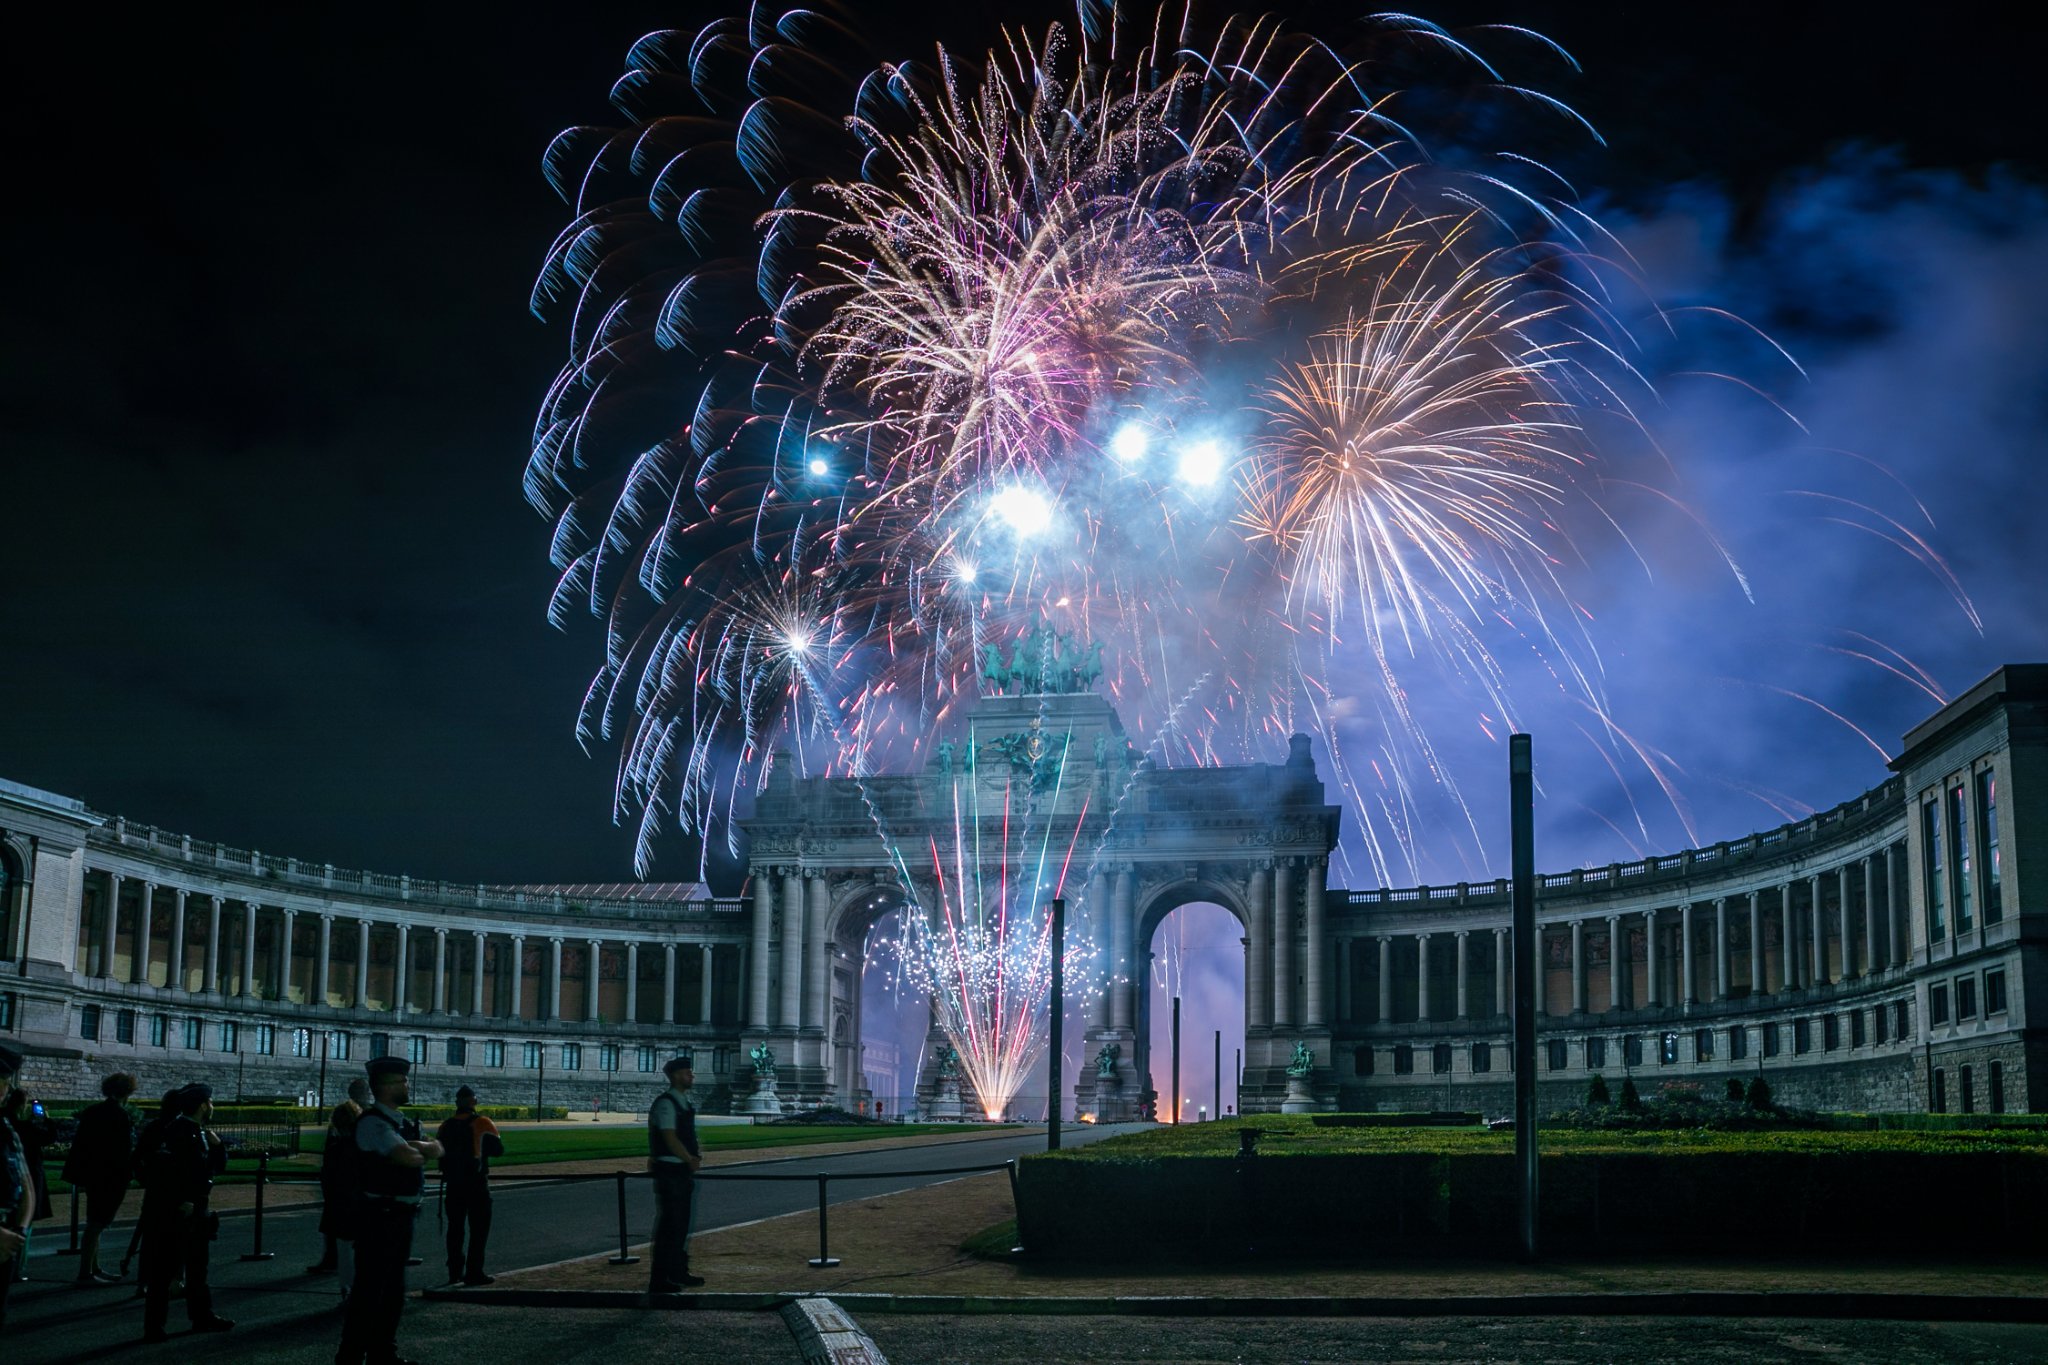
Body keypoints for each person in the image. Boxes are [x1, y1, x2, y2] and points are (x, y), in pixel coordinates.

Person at [337, 1056, 441, 1365]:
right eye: (402, 1082)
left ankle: (382, 1353)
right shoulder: (372, 1123)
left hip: (396, 1218)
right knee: (371, 1292)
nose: (407, 1086)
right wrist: (423, 1148)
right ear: (386, 1087)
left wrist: (419, 1148)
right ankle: (351, 1356)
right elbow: (409, 1157)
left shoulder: (395, 1122)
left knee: (392, 1292)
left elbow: (425, 1150)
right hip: (380, 1218)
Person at [139, 1083, 234, 1342]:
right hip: (183, 1212)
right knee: (177, 1270)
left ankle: (182, 1320)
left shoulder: (178, 1130)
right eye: (210, 1103)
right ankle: (168, 1323)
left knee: (190, 1269)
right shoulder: (185, 1133)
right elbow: (186, 1172)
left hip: (184, 1210)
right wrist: (181, 1200)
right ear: (203, 1105)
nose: (211, 1107)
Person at [64, 1072, 139, 1284]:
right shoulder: (120, 1115)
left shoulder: (93, 1111)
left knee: (95, 1223)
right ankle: (86, 1272)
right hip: (111, 1177)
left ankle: (93, 1268)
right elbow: (124, 1152)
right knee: (97, 1225)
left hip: (93, 1174)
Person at [646, 1053, 704, 1294]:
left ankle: (677, 1271)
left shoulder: (681, 1103)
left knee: (680, 1226)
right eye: (687, 1072)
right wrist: (688, 1158)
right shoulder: (666, 1103)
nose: (691, 1075)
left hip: (678, 1170)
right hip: (671, 1170)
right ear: (676, 1076)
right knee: (670, 1226)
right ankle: (659, 1278)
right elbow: (669, 1137)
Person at [434, 1085, 502, 1287]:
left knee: (455, 1230)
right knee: (478, 1231)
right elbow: (498, 1150)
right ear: (474, 1102)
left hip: (453, 1184)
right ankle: (474, 1272)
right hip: (476, 1184)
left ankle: (454, 1271)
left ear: (457, 1103)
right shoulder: (483, 1122)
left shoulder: (445, 1126)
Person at [309, 1078, 369, 1285]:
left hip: (342, 1190)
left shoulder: (344, 1140)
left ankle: (339, 1267)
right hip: (345, 1190)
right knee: (339, 1230)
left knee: (338, 1230)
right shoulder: (355, 1135)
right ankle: (338, 1265)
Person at [0, 1087, 55, 1284]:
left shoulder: (7, 1123)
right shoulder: (24, 1128)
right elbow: (50, 1137)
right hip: (27, 1178)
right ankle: (17, 1266)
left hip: (10, 1187)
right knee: (25, 1226)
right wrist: (46, 1118)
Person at [0, 1045, 31, 1334]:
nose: (8, 1090)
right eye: (5, 1081)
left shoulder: (5, 1127)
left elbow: (25, 1185)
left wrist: (19, 1230)